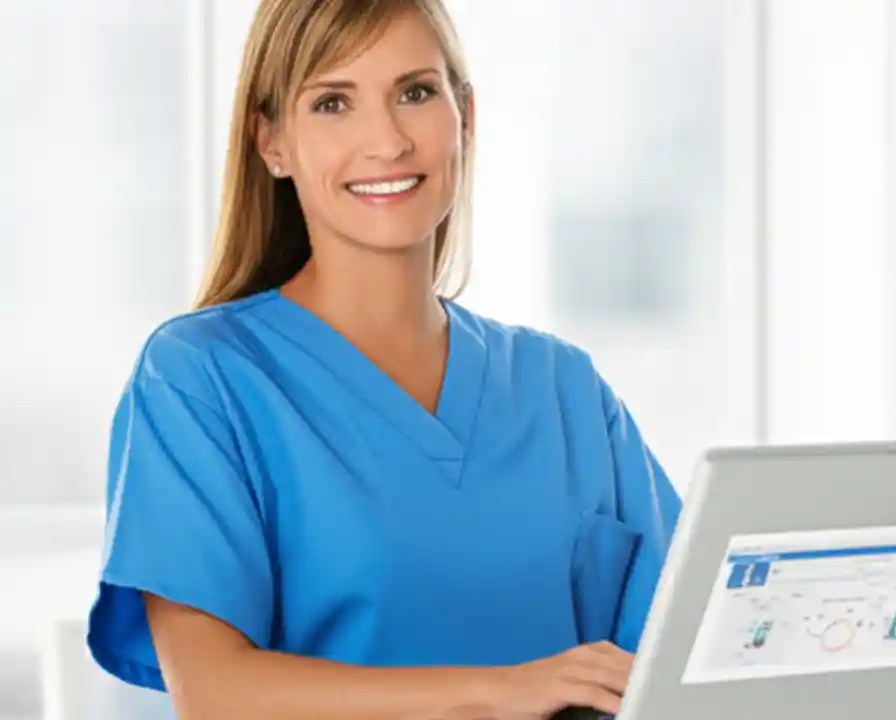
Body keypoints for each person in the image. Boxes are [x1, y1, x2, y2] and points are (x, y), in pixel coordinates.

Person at [85, 1, 681, 717]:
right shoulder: (201, 376)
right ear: (271, 142)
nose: (388, 140)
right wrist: (504, 691)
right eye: (334, 102)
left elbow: (687, 648)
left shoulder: (564, 387)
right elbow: (217, 694)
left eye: (416, 93)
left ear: (464, 116)